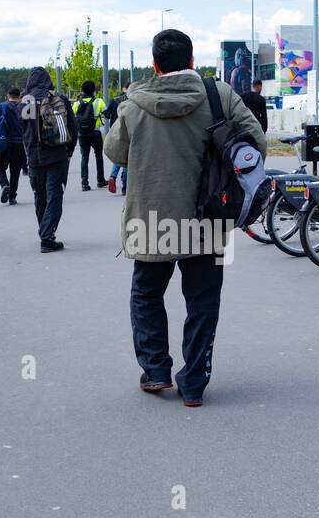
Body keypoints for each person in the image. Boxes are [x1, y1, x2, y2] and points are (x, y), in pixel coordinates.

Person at [103, 28, 265, 407]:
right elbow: (254, 140)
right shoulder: (218, 94)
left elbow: (115, 152)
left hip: (150, 216)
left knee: (146, 294)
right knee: (203, 299)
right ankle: (194, 382)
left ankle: (156, 370)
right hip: (208, 214)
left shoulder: (134, 102)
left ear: (154, 65)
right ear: (192, 61)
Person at [18, 67, 77, 252]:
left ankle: (45, 234)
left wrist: (28, 154)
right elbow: (72, 130)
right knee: (55, 197)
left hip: (35, 157)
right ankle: (47, 236)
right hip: (57, 155)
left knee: (40, 197)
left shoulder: (25, 102)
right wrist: (69, 152)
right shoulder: (58, 98)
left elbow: (24, 131)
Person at [0, 87, 26, 206]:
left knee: (0, 168)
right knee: (15, 171)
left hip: (3, 143)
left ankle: (4, 185)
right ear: (20, 96)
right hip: (19, 143)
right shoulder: (24, 107)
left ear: (8, 95)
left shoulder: (1, 107)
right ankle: (12, 197)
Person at [73, 81, 108, 191]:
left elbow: (73, 117)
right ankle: (100, 180)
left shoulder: (77, 103)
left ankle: (84, 183)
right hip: (95, 132)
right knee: (99, 156)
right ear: (94, 90)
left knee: (84, 157)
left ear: (82, 90)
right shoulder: (99, 101)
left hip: (82, 134)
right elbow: (106, 114)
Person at [104, 83, 129, 194]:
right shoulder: (131, 100)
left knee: (119, 155)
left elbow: (107, 115)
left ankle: (113, 176)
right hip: (128, 130)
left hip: (115, 132)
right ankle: (125, 187)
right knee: (127, 158)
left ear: (123, 88)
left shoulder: (115, 100)